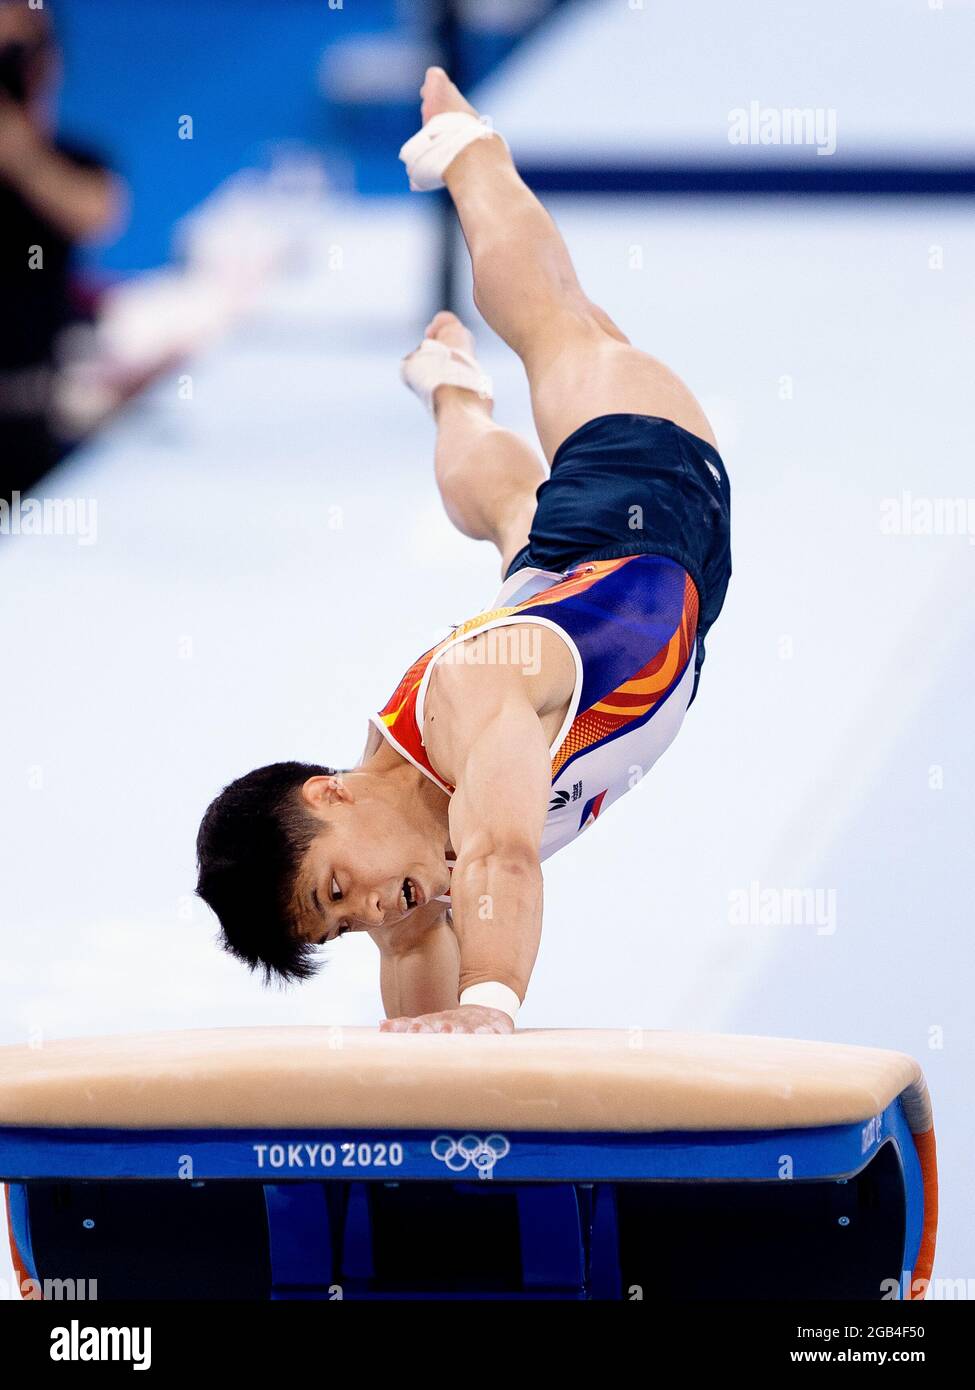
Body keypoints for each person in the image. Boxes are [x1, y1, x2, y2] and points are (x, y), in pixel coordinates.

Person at [196, 68, 731, 1034]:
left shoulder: (471, 700)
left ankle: (468, 153)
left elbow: (504, 864)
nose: (369, 913)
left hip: (644, 504)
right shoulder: (397, 864)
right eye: (338, 928)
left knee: (562, 326)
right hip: (556, 597)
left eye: (332, 891)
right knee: (512, 516)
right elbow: (414, 1006)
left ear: (331, 795)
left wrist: (489, 1008)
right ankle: (452, 395)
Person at [0, 0, 124, 504]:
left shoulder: (73, 161)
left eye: (12, 55)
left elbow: (98, 214)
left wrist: (19, 151)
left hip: (37, 424)